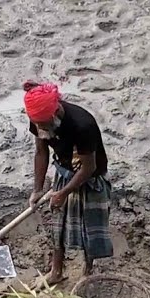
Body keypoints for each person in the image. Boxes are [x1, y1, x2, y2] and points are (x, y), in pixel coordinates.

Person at [23, 80, 113, 286]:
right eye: (39, 125)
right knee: (58, 227)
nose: (42, 128)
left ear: (55, 113)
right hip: (64, 171)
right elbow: (41, 152)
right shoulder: (38, 120)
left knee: (88, 229)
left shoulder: (82, 125)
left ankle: (87, 272)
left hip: (90, 178)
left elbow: (88, 167)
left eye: (45, 125)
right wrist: (38, 190)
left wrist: (63, 193)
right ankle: (56, 271)